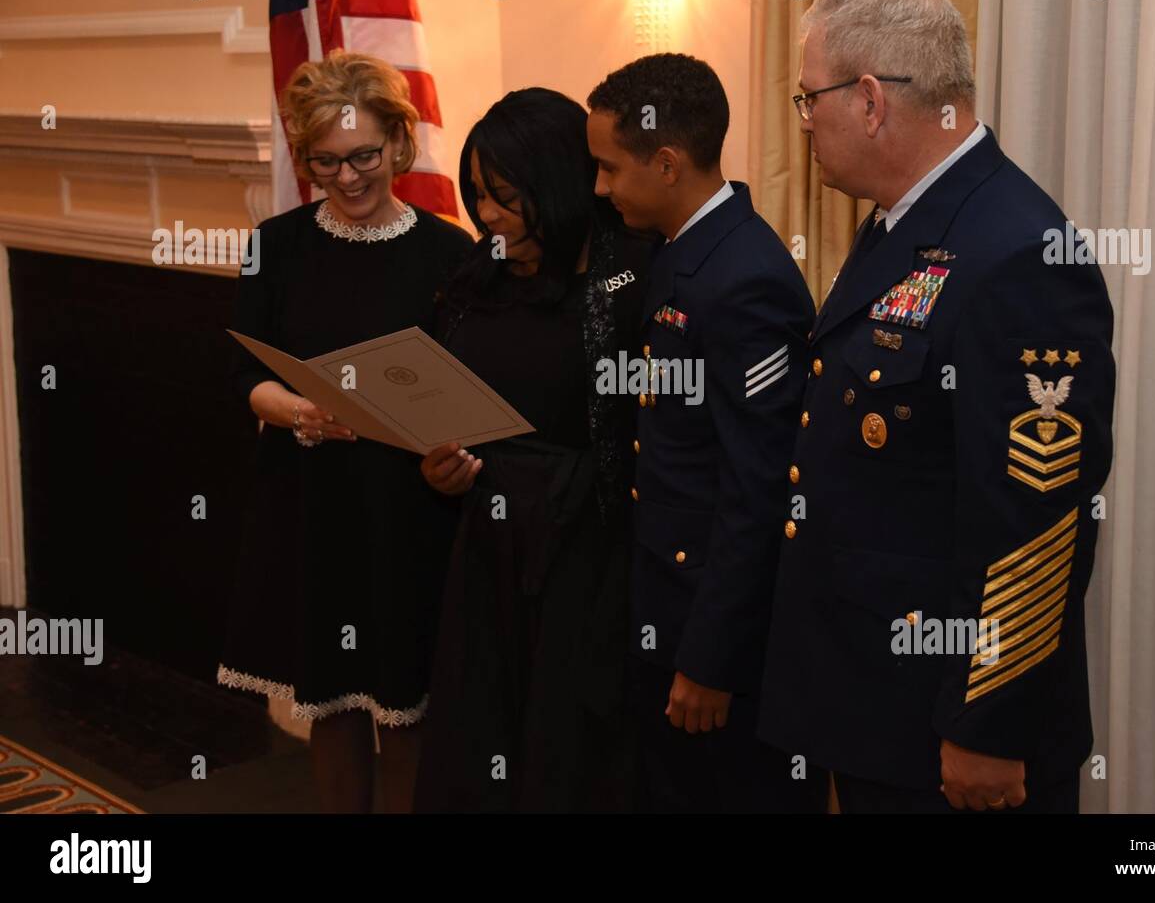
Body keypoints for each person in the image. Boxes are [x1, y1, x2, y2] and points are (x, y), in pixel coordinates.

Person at [758, 0, 1116, 813]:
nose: (804, 123)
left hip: (953, 727)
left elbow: (1035, 518)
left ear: (871, 100)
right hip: (878, 698)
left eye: (810, 101)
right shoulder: (904, 222)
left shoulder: (1017, 252)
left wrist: (986, 724)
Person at [218, 50, 472, 813]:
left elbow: (467, 394)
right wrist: (299, 410)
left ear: (398, 142)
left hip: (411, 509)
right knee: (328, 703)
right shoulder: (277, 246)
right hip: (311, 499)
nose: (350, 178)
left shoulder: (450, 254)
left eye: (363, 155)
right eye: (326, 163)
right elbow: (243, 376)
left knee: (406, 710)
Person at [586, 53, 825, 812]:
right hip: (667, 606)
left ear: (665, 163)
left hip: (714, 642)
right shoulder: (680, 253)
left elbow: (760, 490)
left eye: (608, 167)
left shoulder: (744, 277)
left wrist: (712, 660)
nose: (599, 187)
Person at [412, 88, 654, 812]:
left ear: (556, 182)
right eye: (478, 196)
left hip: (587, 564)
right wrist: (438, 469)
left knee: (566, 761)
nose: (486, 216)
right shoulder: (472, 280)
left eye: (505, 198)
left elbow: (643, 444)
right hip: (485, 558)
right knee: (477, 746)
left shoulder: (628, 280)